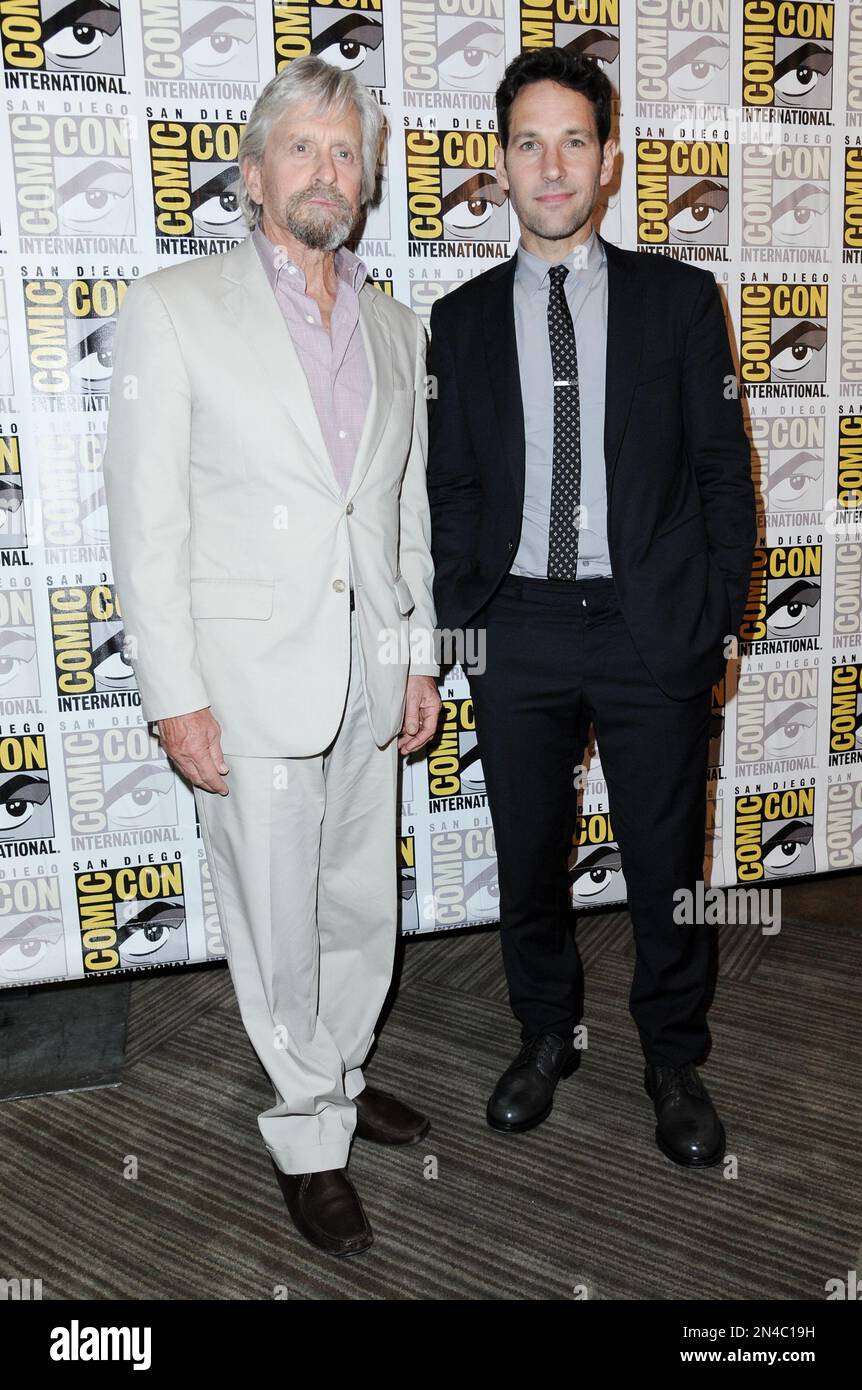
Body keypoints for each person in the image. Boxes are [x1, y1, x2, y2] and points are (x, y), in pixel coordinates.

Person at [103, 55, 442, 1255]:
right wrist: (175, 693)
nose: (327, 170)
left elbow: (400, 514)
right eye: (301, 148)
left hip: (365, 664)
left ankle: (337, 1075)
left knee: (358, 902)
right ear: (253, 178)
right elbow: (147, 523)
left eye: (346, 151)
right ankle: (306, 1128)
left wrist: (415, 657)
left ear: (369, 178)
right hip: (249, 676)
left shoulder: (401, 328)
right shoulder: (175, 308)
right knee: (277, 917)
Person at [426, 47, 756, 1167]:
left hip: (646, 621)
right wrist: (464, 605)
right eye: (528, 142)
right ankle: (541, 1034)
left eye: (574, 140)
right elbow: (454, 483)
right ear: (499, 163)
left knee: (668, 858)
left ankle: (673, 1055)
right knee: (528, 851)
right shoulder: (459, 319)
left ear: (609, 160)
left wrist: (717, 615)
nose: (551, 164)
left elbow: (724, 471)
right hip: (514, 624)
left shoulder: (677, 299)